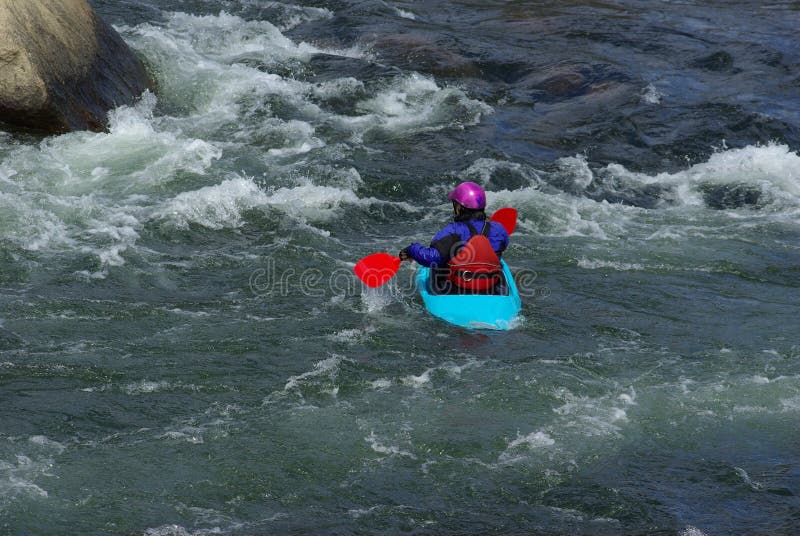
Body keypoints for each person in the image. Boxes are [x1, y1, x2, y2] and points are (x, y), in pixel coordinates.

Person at [399, 181, 509, 294]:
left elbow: (432, 258)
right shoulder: (499, 230)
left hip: (456, 288)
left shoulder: (453, 230)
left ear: (458, 208)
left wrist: (411, 249)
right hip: (490, 288)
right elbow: (503, 245)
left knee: (440, 263)